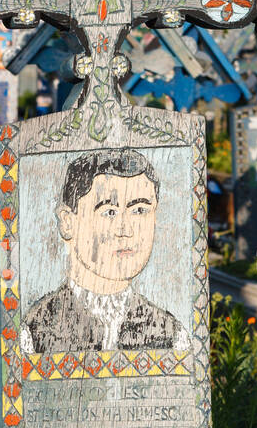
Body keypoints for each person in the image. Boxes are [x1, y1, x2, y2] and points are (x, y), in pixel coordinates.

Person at [21, 149, 189, 354]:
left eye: (139, 211)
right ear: (67, 222)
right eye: (109, 212)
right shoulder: (33, 332)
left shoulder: (172, 335)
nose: (126, 230)